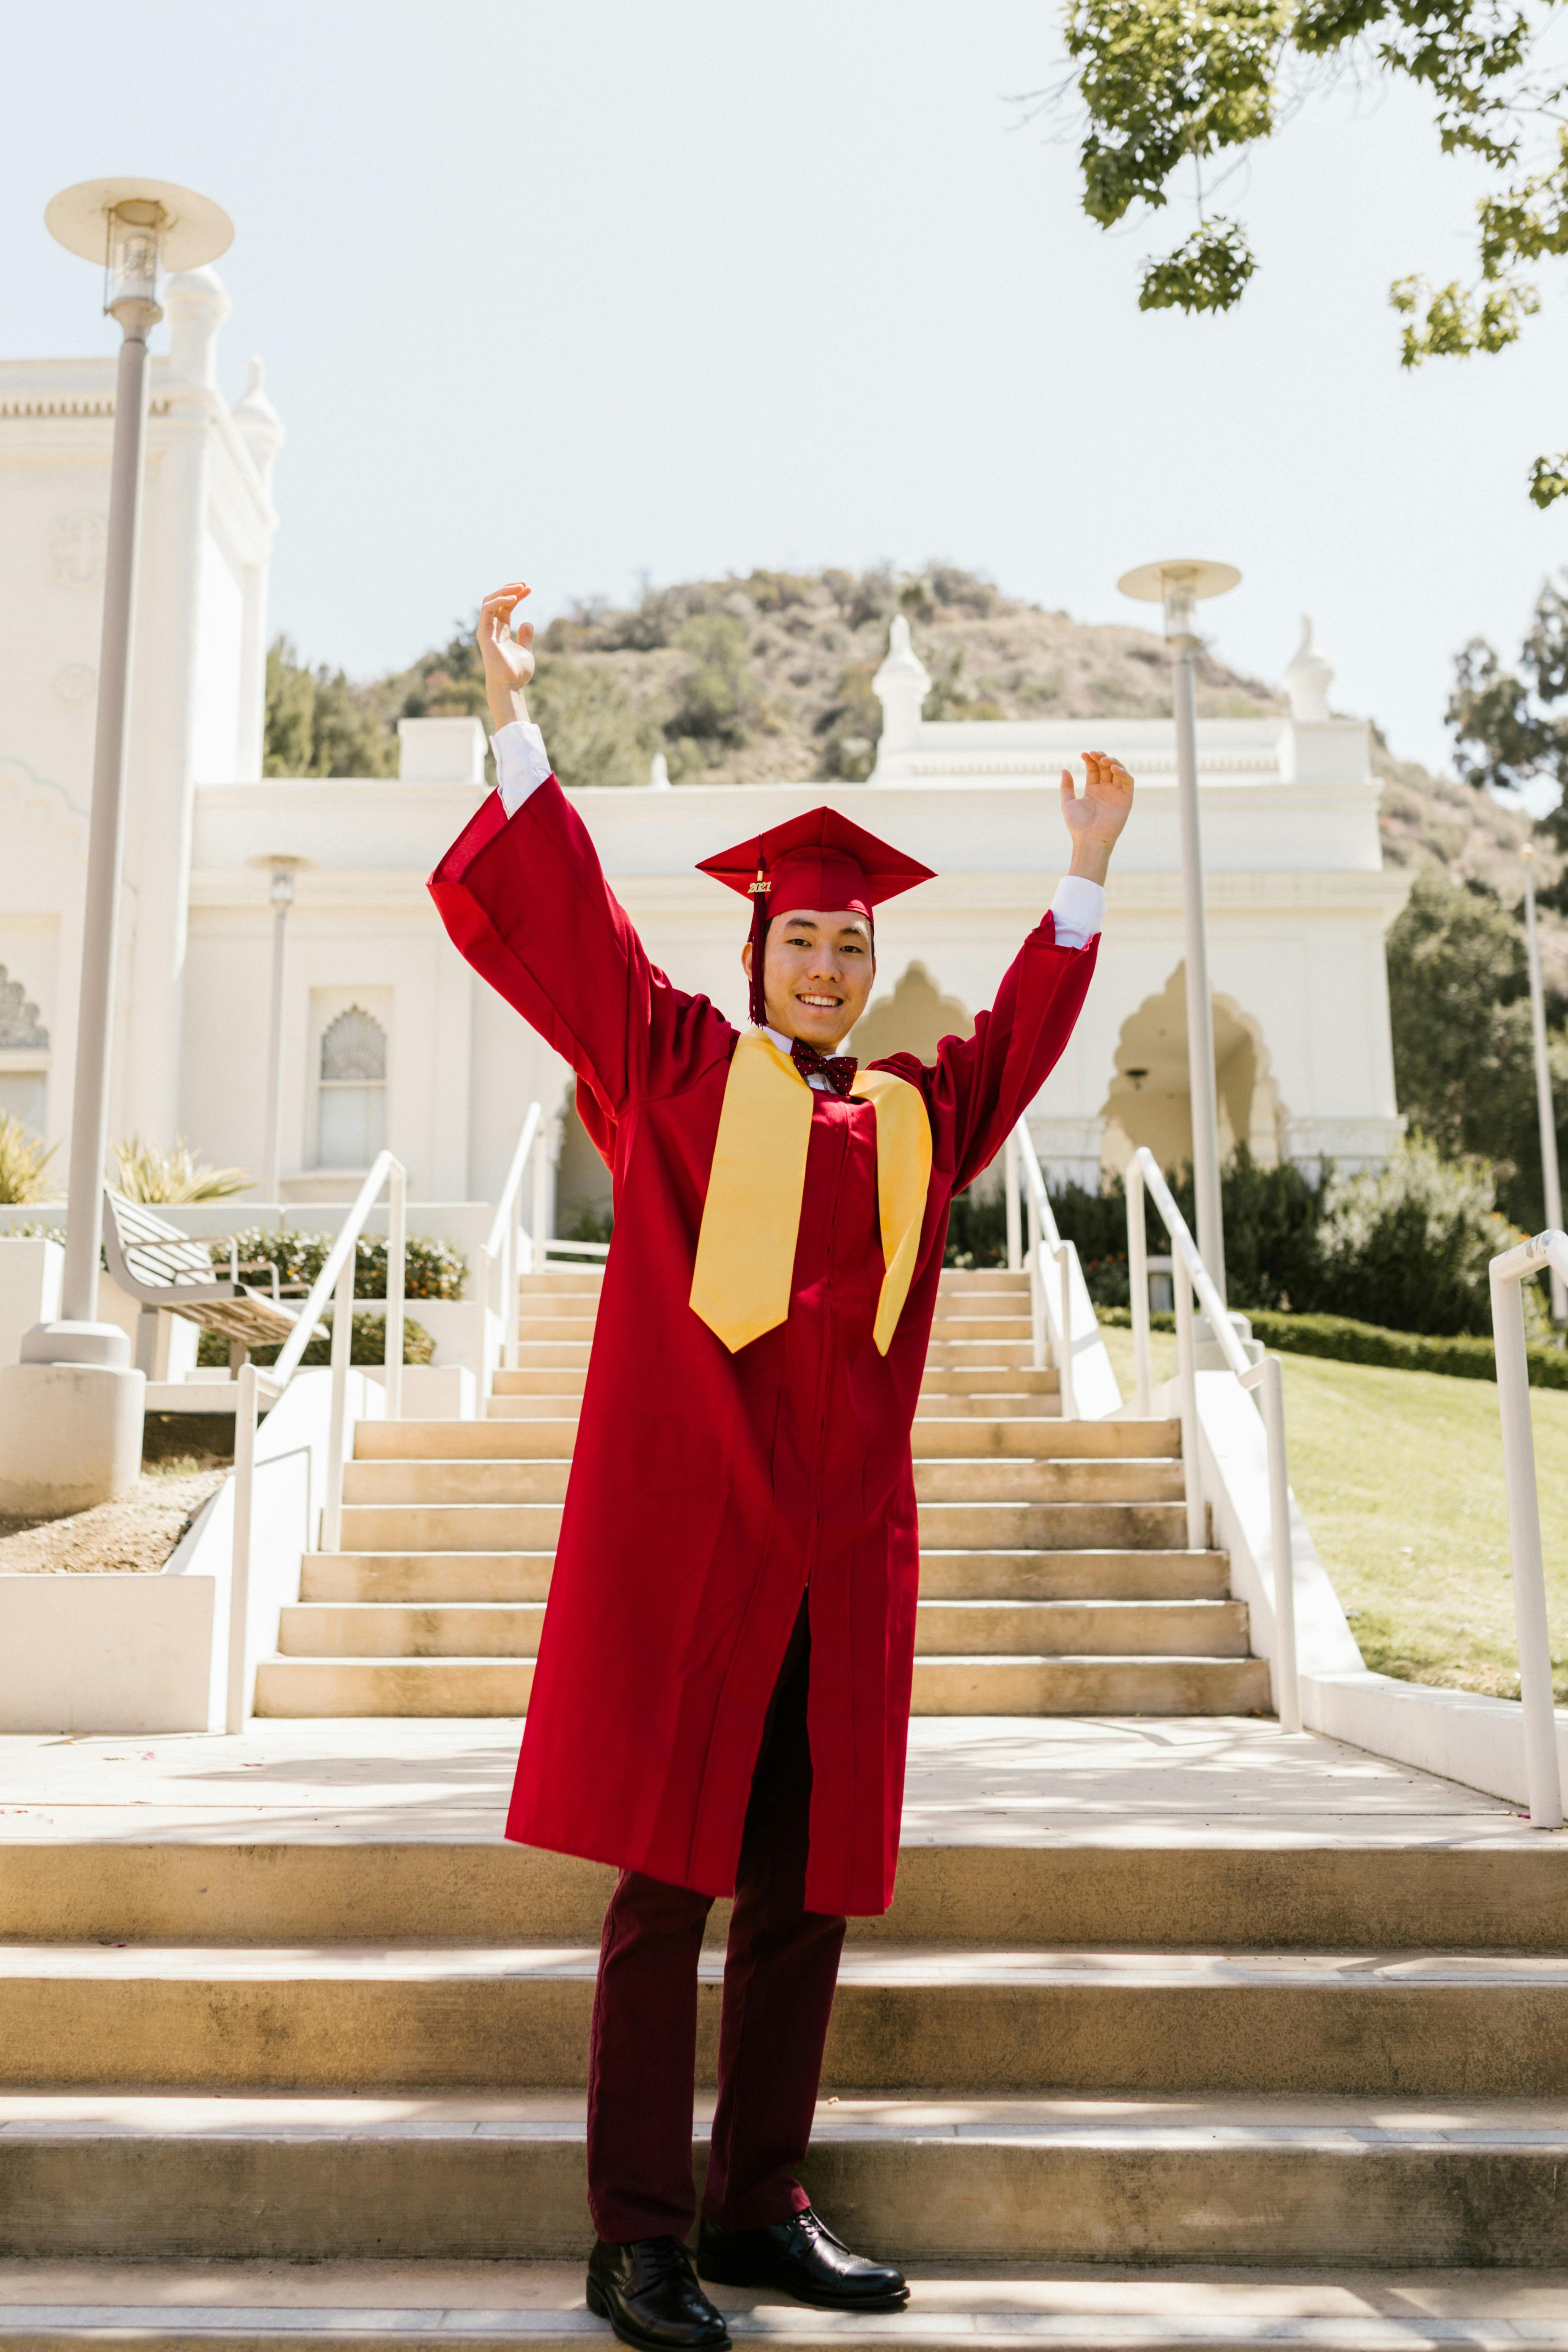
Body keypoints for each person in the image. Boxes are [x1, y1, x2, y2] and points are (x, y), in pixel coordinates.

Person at [429, 580, 1133, 2352]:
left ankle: (757, 2201)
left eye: (844, 945)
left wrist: (1085, 869)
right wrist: (516, 723)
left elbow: (1018, 1050)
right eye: (796, 941)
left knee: (803, 1891)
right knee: (668, 1887)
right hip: (700, 1553)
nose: (822, 965)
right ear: (752, 955)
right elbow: (574, 932)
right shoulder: (675, 1071)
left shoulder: (907, 1114)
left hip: (837, 1553)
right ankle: (634, 2235)